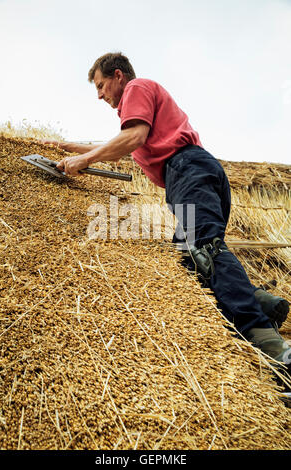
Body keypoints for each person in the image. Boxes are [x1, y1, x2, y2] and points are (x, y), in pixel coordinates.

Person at [43, 52, 291, 385]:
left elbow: (133, 138)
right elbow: (123, 144)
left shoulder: (137, 88)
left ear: (118, 76)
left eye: (101, 86)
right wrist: (72, 149)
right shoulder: (139, 113)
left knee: (205, 250)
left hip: (188, 169)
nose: (99, 95)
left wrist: (85, 159)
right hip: (190, 175)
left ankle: (272, 346)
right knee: (187, 262)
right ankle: (261, 300)